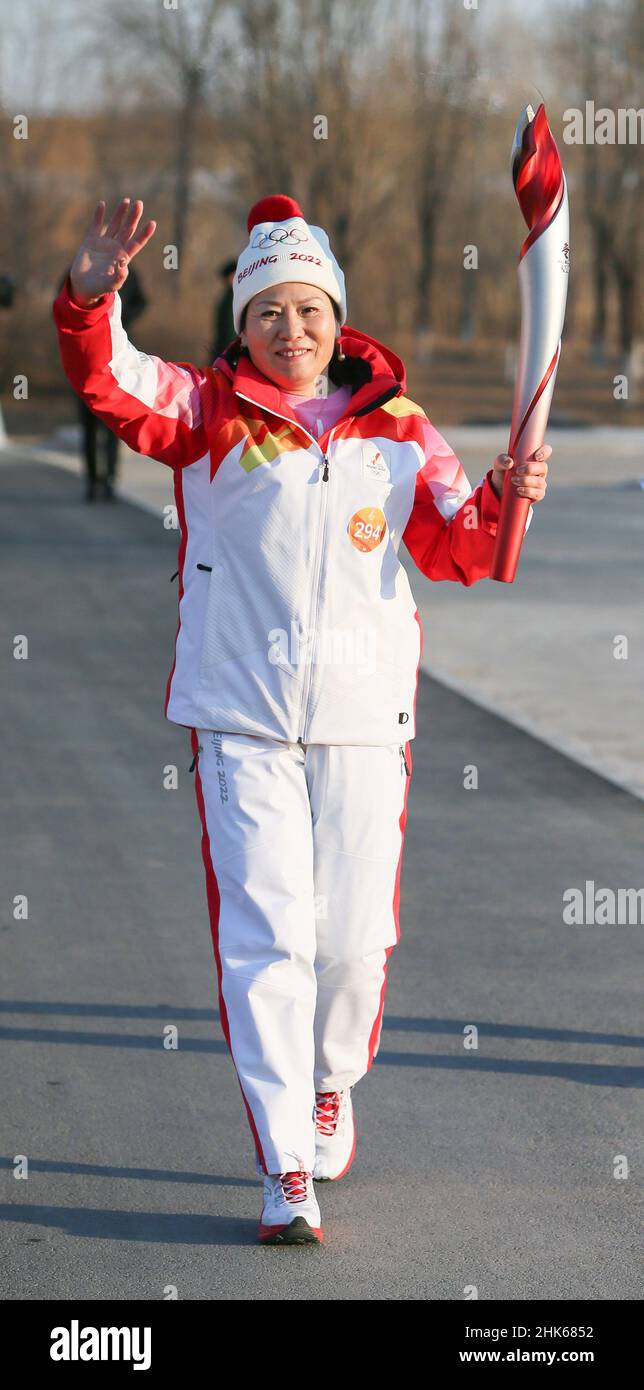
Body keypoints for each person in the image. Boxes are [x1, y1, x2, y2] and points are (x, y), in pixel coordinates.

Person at [52, 194, 549, 1247]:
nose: (291, 329)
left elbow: (463, 547)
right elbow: (109, 379)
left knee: (353, 943)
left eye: (308, 308)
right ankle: (284, 1162)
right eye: (268, 310)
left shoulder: (399, 430)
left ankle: (330, 1082)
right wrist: (91, 295)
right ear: (243, 323)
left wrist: (507, 493)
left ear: (336, 315)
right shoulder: (205, 413)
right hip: (242, 720)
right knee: (267, 936)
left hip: (367, 720)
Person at [56, 262, 147, 500]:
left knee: (114, 426)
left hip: (119, 357)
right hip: (86, 359)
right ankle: (92, 479)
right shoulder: (79, 269)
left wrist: (119, 319)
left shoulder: (129, 272)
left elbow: (142, 302)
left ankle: (110, 480)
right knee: (89, 427)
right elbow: (61, 304)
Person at [208, 257, 237, 361]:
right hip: (225, 345)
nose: (231, 280)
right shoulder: (228, 296)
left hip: (233, 345)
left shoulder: (238, 296)